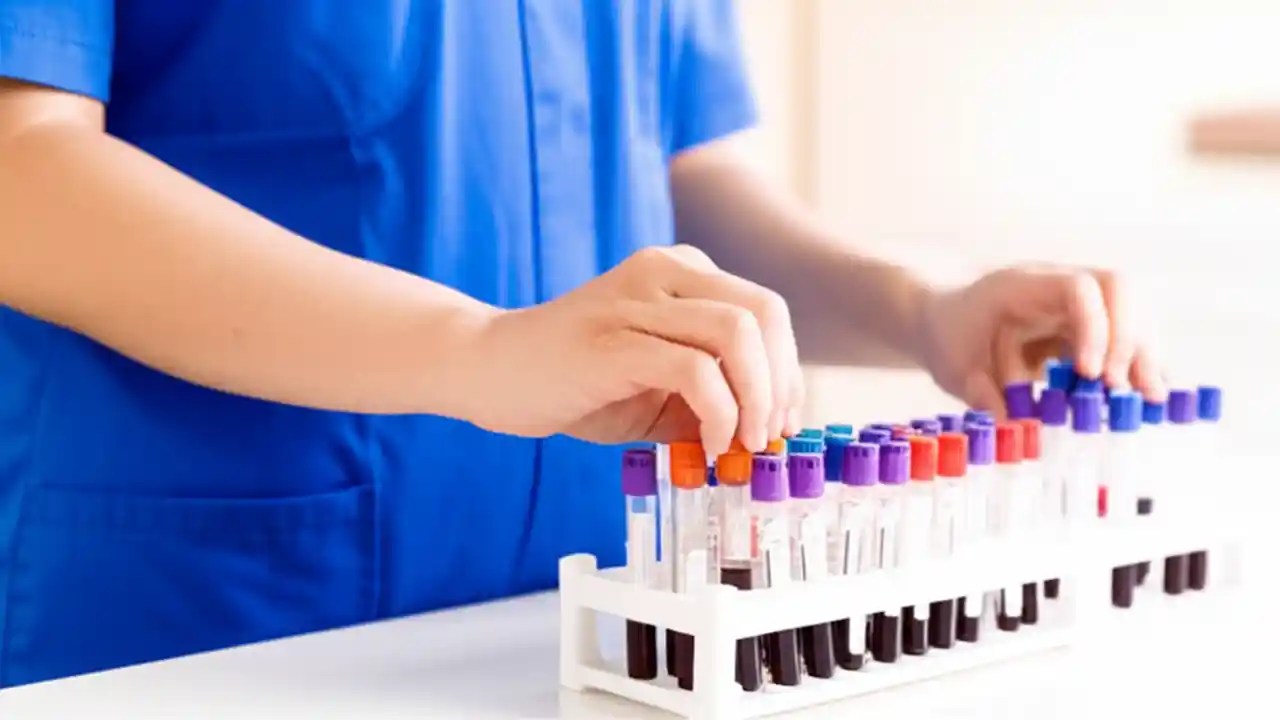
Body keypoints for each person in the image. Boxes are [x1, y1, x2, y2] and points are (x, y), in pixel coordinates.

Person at [0, 1, 1164, 687]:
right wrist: (475, 349)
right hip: (211, 616)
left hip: (585, 613)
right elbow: (22, 165)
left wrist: (916, 311)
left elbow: (672, 171)